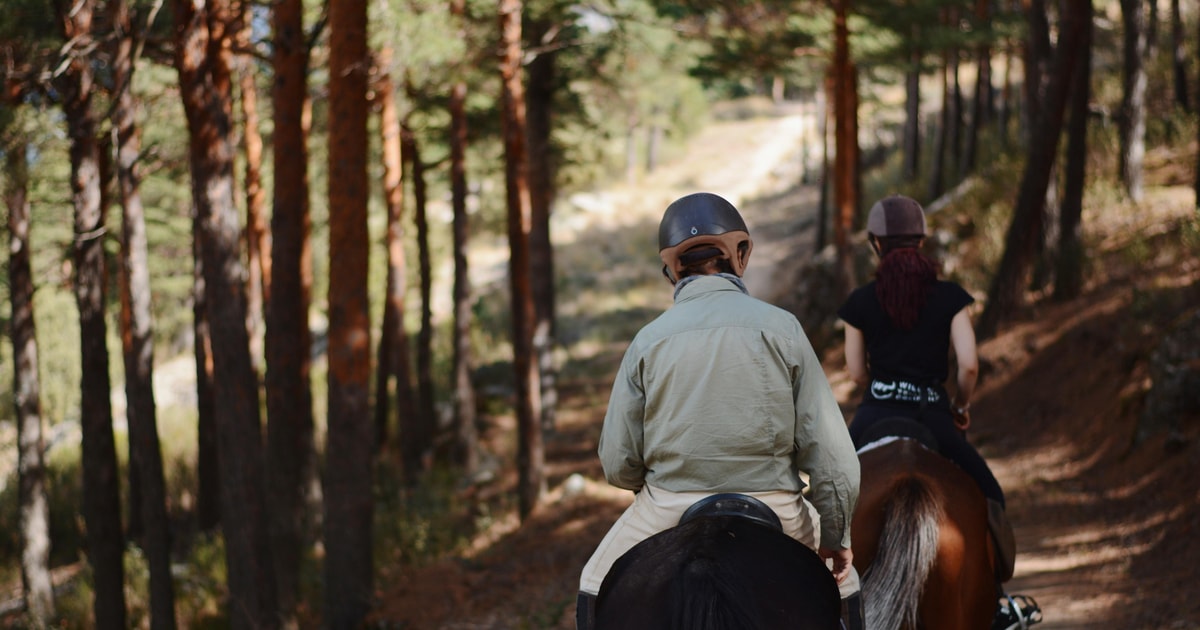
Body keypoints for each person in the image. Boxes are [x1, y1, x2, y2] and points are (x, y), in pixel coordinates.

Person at [576, 192, 863, 630]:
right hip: (776, 504)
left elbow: (617, 463)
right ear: (740, 254)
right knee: (847, 588)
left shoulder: (648, 340)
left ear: (672, 269)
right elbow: (833, 459)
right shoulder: (783, 328)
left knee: (593, 585)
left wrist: (652, 482)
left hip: (669, 503)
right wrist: (837, 538)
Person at [837, 194, 1041, 629]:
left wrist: (881, 384)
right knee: (989, 496)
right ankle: (998, 603)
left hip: (875, 414)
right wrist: (960, 405)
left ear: (876, 243)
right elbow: (968, 365)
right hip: (934, 415)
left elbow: (855, 372)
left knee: (830, 497)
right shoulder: (950, 297)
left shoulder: (861, 301)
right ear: (922, 241)